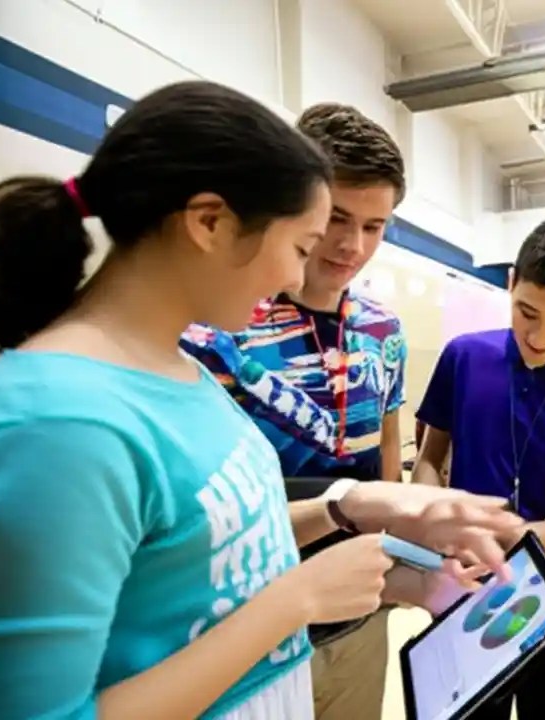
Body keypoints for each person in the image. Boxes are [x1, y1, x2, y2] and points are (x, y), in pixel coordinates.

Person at [0, 80, 519, 719]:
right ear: (210, 222)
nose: (298, 278)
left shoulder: (179, 373)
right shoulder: (49, 423)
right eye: (302, 244)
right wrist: (296, 600)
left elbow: (216, 545)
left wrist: (346, 507)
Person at [180, 102, 408, 719]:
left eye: (375, 225)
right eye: (336, 217)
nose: (351, 244)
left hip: (360, 620)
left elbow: (386, 462)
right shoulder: (217, 328)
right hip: (245, 630)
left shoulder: (384, 330)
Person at [412, 218, 545, 720]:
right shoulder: (464, 357)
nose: (537, 335)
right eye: (526, 312)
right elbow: (428, 459)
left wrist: (495, 537)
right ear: (510, 283)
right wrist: (434, 524)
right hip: (464, 604)